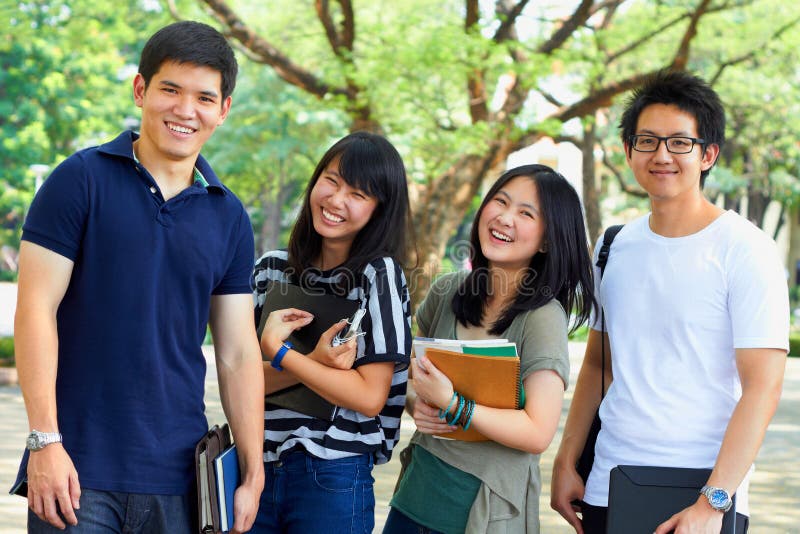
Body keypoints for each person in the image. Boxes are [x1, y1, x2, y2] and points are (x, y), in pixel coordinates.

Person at [12, 21, 265, 533]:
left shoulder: (229, 216)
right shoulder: (79, 180)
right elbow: (35, 310)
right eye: (170, 89)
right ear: (140, 89)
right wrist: (44, 440)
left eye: (203, 97)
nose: (185, 110)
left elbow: (238, 352)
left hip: (180, 481)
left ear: (223, 110)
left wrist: (253, 473)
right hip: (76, 471)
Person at [550, 70, 789, 534]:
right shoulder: (614, 245)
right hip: (609, 483)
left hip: (702, 490)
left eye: (680, 142)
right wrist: (566, 460)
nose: (662, 155)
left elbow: (763, 387)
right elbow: (599, 365)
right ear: (628, 151)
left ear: (708, 154)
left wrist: (714, 502)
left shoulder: (745, 248)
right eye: (647, 141)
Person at [384, 164, 597, 533]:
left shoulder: (543, 317)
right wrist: (416, 403)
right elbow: (406, 376)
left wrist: (454, 405)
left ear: (548, 240)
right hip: (413, 499)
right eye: (500, 201)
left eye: (525, 213)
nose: (504, 217)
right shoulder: (446, 291)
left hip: (483, 511)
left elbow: (537, 432)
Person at [252, 131, 413, 533]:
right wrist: (316, 364)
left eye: (358, 194)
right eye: (332, 180)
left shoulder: (379, 275)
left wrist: (281, 354)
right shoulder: (270, 270)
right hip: (255, 467)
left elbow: (370, 396)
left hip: (333, 474)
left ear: (380, 209)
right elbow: (240, 381)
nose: (337, 200)